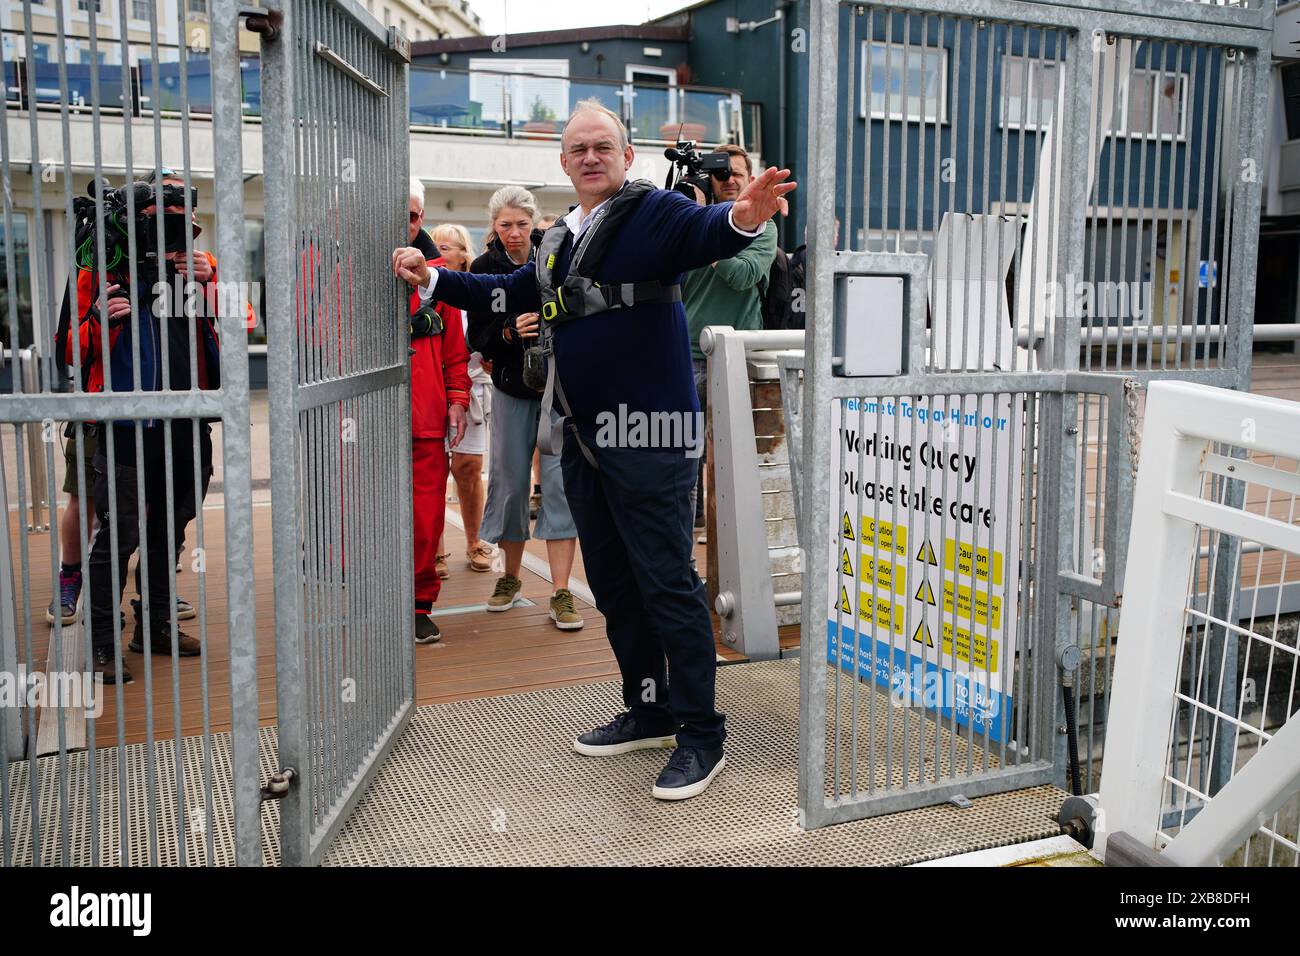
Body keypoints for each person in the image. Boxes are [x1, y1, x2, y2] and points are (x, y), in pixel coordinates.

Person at [392, 99, 794, 800]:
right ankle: (649, 707)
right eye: (577, 148)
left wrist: (744, 215)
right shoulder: (556, 242)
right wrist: (430, 277)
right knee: (613, 586)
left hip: (652, 438)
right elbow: (497, 292)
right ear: (563, 162)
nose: (590, 157)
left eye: (602, 146)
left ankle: (702, 733)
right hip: (582, 439)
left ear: (627, 155)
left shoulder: (654, 213)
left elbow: (710, 230)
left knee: (668, 584)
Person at [69, 170, 222, 683]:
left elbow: (247, 324)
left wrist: (210, 284)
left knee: (171, 524)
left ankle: (155, 625)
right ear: (136, 219)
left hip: (186, 420)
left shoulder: (201, 271)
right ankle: (100, 644)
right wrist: (98, 320)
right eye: (163, 218)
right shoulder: (101, 269)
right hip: (127, 424)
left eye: (185, 220)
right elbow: (67, 348)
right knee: (122, 530)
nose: (176, 231)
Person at [462, 186, 582, 632]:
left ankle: (561, 591)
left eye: (522, 224)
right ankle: (510, 578)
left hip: (557, 389)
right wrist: (509, 333)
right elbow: (476, 338)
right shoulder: (483, 268)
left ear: (534, 224)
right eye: (505, 224)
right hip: (512, 388)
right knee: (511, 483)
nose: (514, 233)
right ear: (493, 225)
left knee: (559, 483)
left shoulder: (552, 257)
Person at [681, 144, 778, 529]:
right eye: (720, 173)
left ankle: (731, 565)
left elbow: (741, 275)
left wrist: (709, 237)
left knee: (732, 466)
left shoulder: (764, 227)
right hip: (684, 356)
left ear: (750, 179)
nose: (729, 179)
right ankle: (683, 564)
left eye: (737, 172)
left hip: (736, 357)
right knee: (684, 465)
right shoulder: (688, 220)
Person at [405, 180, 471, 645]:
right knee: (362, 516)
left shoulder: (438, 275)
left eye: (413, 216)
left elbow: (454, 351)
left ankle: (417, 604)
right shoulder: (340, 263)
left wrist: (458, 399)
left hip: (425, 419)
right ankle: (376, 598)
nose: (406, 225)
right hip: (361, 420)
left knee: (426, 520)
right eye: (397, 215)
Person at [429, 222, 493, 576]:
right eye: (436, 244)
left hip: (473, 387)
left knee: (468, 469)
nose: (440, 250)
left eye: (448, 245)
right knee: (433, 470)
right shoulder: (421, 288)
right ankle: (435, 549)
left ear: (464, 254)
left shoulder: (475, 292)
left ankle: (475, 541)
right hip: (431, 390)